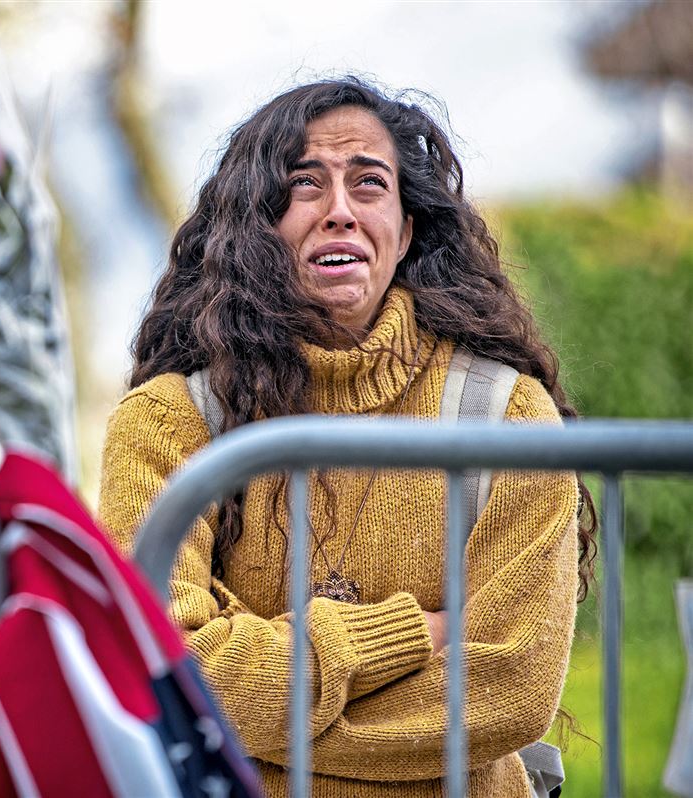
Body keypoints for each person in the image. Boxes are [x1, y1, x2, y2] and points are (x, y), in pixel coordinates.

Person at [96, 78, 595, 798]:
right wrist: (408, 636)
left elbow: (509, 692)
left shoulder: (507, 415)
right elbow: (167, 673)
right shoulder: (167, 421)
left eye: (369, 184)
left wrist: (264, 714)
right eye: (305, 186)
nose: (339, 211)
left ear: (408, 227)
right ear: (257, 224)